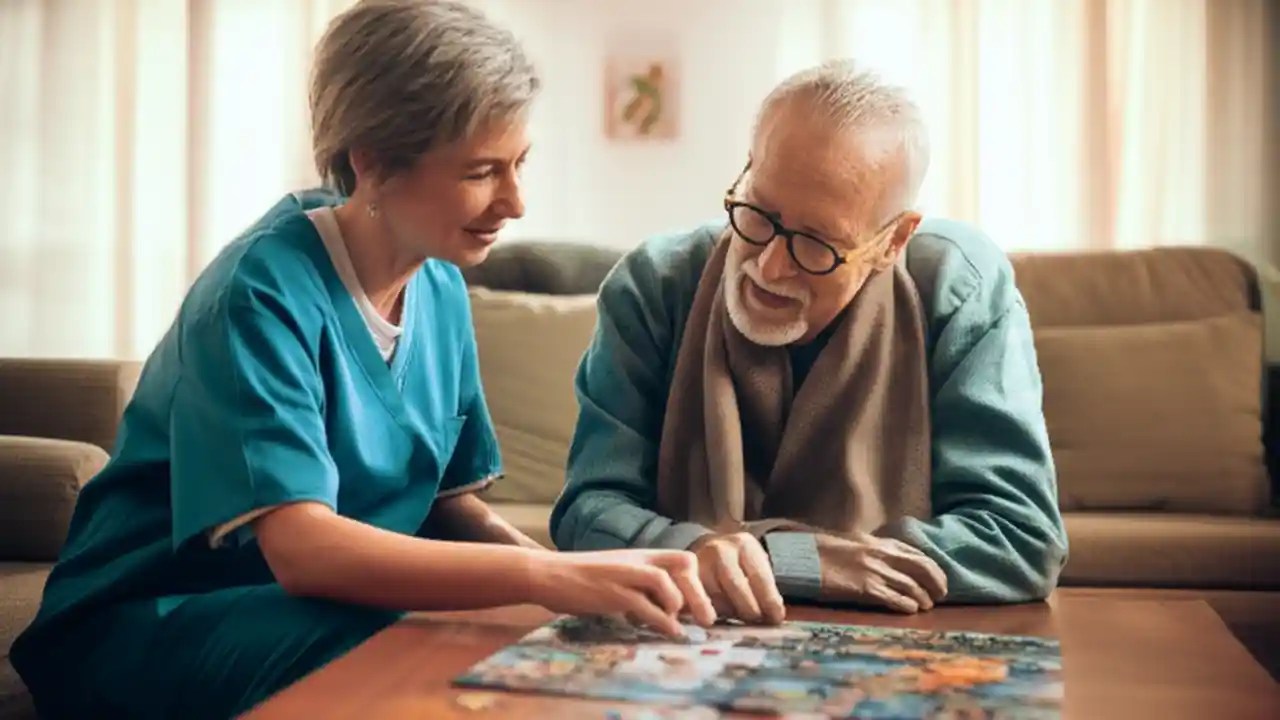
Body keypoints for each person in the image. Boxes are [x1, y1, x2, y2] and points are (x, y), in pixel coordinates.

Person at [11, 2, 714, 718]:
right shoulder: (258, 293)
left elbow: (445, 503)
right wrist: (538, 574)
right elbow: (304, 550)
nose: (516, 201)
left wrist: (573, 580)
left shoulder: (438, 282)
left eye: (519, 163)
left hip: (301, 607)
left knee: (520, 635)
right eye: (481, 172)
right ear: (371, 162)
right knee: (428, 646)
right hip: (149, 621)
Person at [551, 60, 1069, 623]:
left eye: (817, 245)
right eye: (758, 214)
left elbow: (1018, 536)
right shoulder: (654, 284)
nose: (769, 266)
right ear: (749, 169)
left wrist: (760, 558)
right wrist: (798, 560)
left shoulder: (958, 287)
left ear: (892, 241)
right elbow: (587, 512)